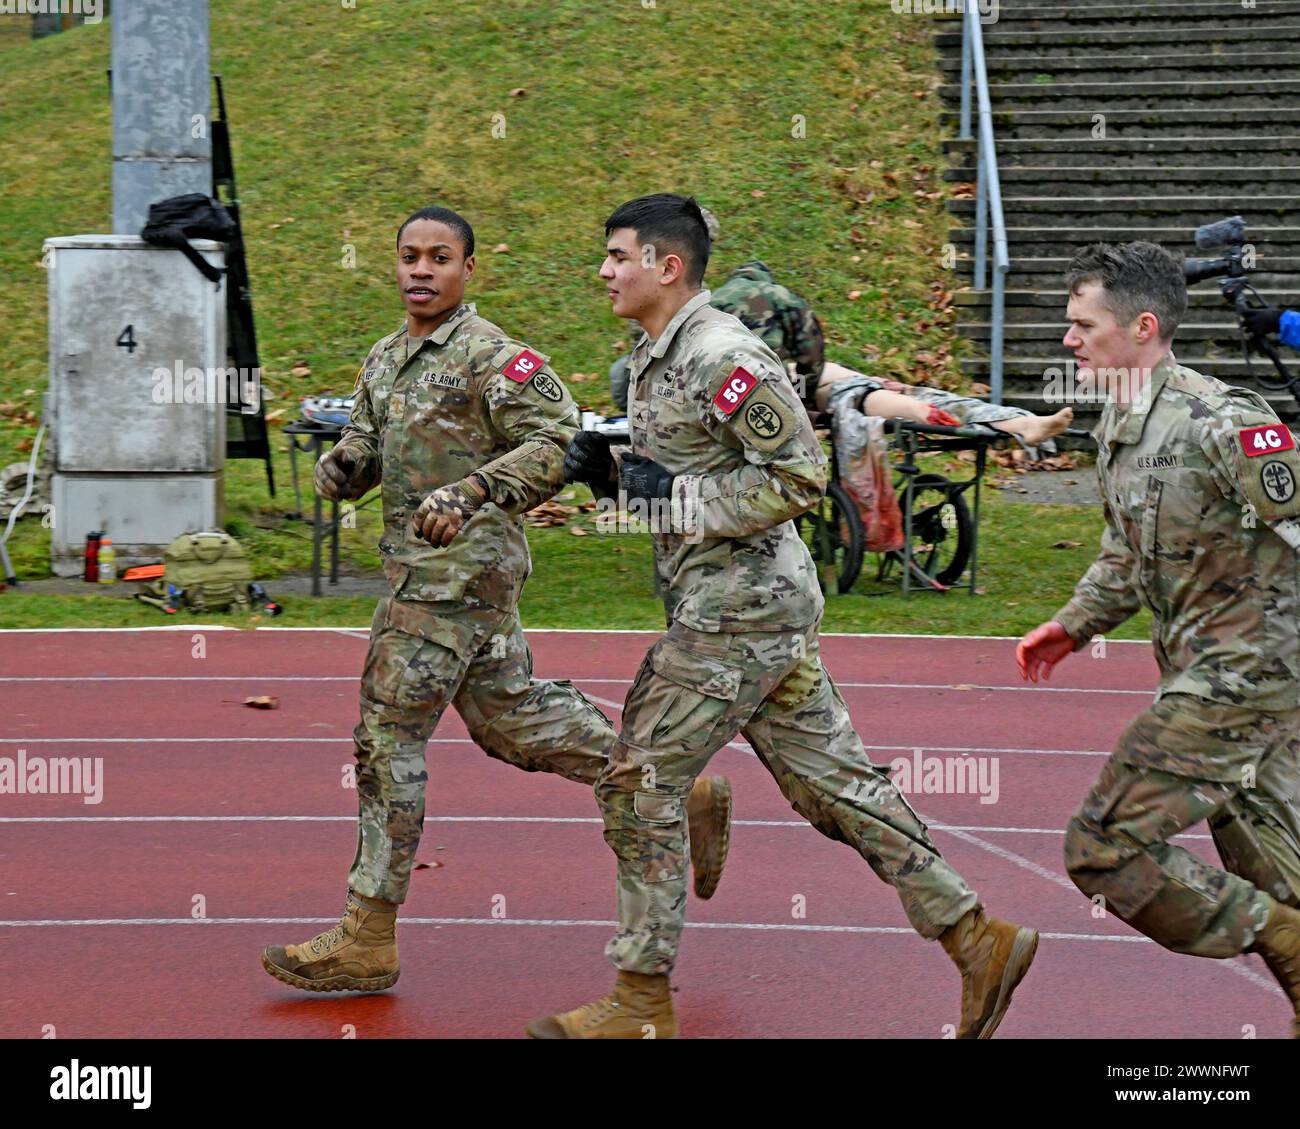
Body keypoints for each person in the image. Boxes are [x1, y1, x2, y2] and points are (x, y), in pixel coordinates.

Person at [529, 193, 1038, 1039]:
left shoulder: (725, 355)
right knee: (832, 788)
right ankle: (975, 936)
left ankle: (641, 1000)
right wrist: (613, 470)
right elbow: (692, 472)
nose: (605, 271)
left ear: (668, 266)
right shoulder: (658, 354)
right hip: (741, 604)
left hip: (740, 612)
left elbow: (799, 478)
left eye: (619, 256)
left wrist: (669, 493)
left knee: (637, 781)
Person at [260, 206, 732, 994]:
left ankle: (369, 931)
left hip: (458, 580)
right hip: (423, 574)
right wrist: (344, 464)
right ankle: (663, 781)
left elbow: (555, 444)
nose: (420, 270)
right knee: (512, 720)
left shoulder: (497, 358)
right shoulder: (385, 359)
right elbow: (370, 442)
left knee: (387, 738)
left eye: (439, 257)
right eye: (408, 255)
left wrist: (474, 489)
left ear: (468, 269)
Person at [1017, 241, 1300, 1037]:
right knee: (1273, 868)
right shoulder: (1125, 427)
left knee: (1101, 845)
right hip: (1208, 678)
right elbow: (1124, 552)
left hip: (1245, 680)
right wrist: (1073, 625)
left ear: (1143, 327)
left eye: (1084, 325)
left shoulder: (1227, 421)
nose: (1069, 341)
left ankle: (1283, 940)